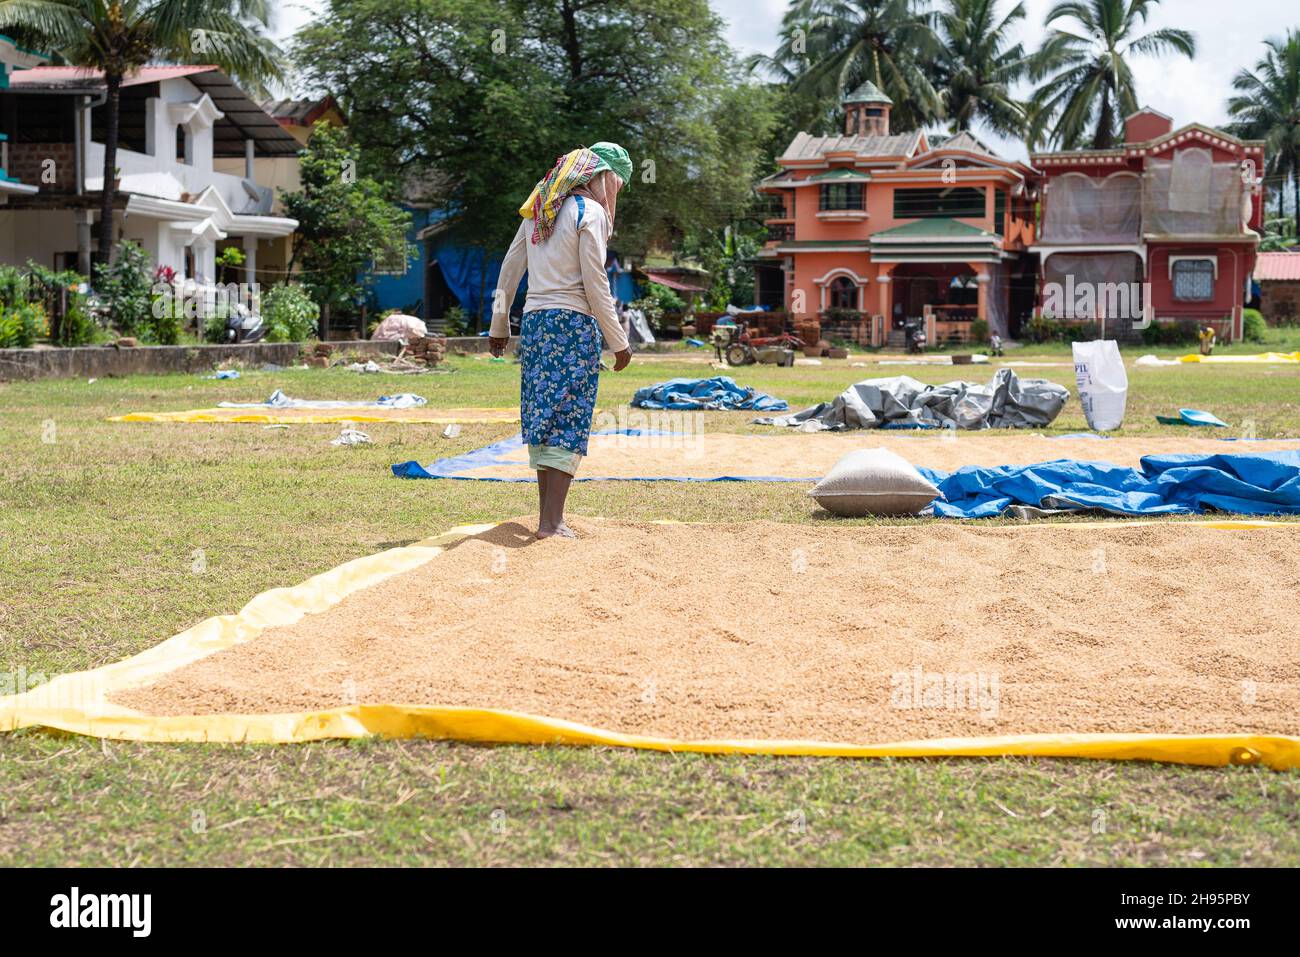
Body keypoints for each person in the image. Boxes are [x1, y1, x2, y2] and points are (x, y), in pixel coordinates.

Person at [489, 143, 633, 539]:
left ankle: (546, 520)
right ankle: (552, 523)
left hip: (536, 327)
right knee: (569, 417)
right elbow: (595, 282)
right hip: (572, 327)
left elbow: (510, 269)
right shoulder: (591, 213)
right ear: (602, 178)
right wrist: (617, 339)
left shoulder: (540, 210)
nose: (614, 193)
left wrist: (498, 326)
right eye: (616, 184)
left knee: (543, 414)